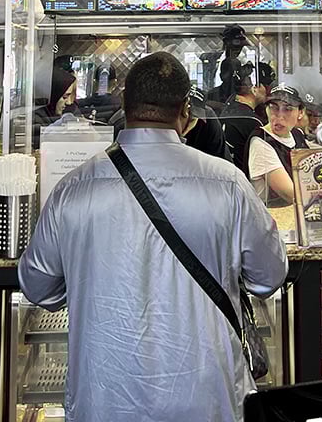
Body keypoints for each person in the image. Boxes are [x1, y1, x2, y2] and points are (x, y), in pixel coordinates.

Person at [18, 52, 287, 422]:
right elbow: (268, 277)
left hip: (105, 398)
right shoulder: (228, 184)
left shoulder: (74, 188)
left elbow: (38, 288)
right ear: (185, 112)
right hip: (208, 398)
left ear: (124, 107)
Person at [248, 83, 307, 207]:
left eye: (288, 108)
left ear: (300, 112)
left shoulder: (296, 134)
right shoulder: (260, 142)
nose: (279, 115)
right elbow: (291, 195)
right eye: (273, 107)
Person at [220, 70, 267, 177]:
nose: (266, 90)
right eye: (263, 85)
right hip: (241, 178)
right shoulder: (251, 121)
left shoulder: (229, 105)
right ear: (254, 89)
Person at [183, 86, 232, 162]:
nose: (188, 121)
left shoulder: (208, 118)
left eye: (193, 118)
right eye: (185, 115)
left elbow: (221, 156)